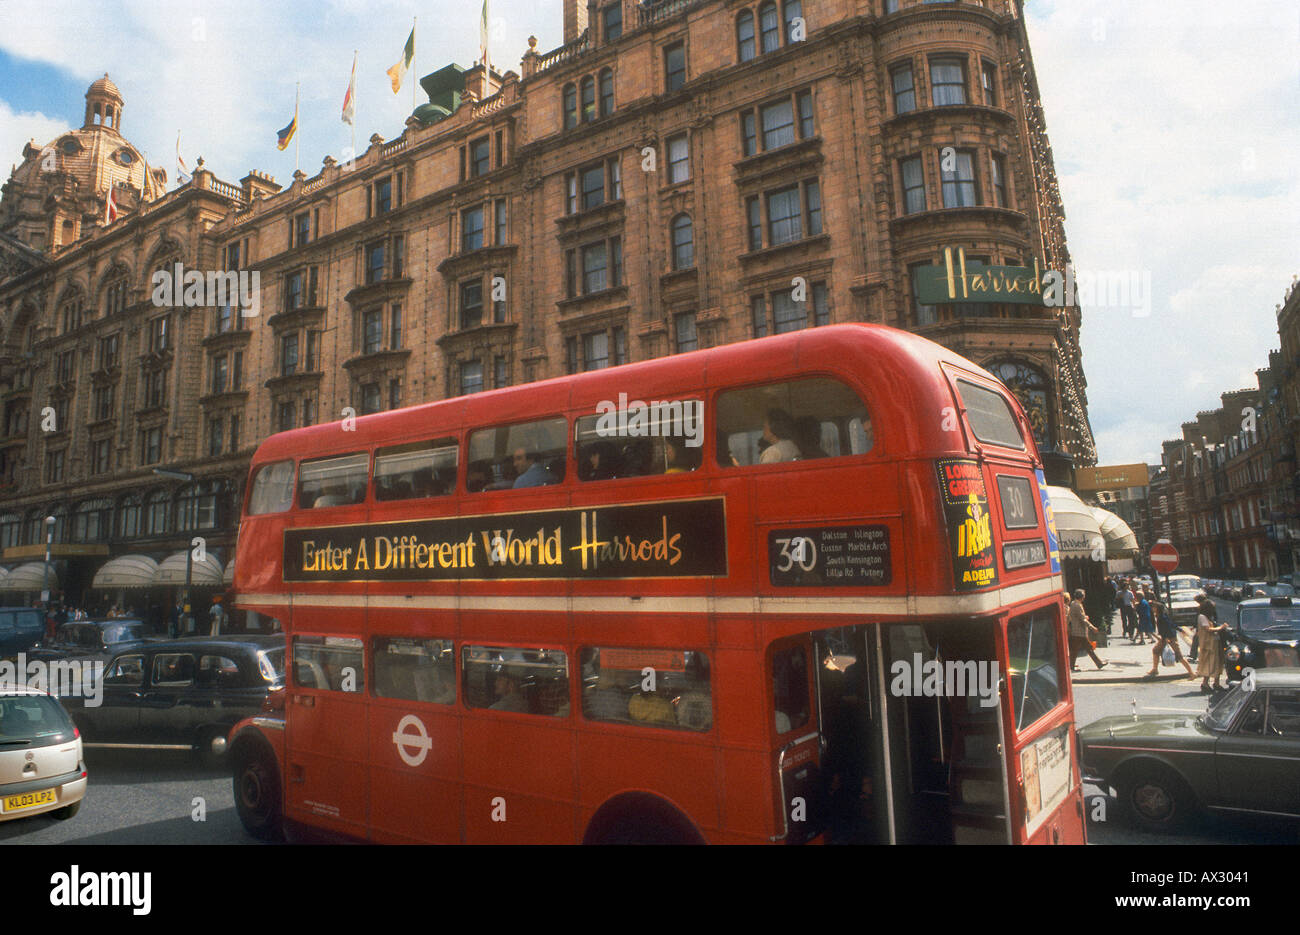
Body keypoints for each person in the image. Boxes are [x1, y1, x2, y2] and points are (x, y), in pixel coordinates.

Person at [1145, 599, 1195, 678]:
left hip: (1169, 638)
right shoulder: (1161, 616)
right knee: (1155, 651)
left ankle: (1192, 673)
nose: (1152, 609)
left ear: (1157, 608)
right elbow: (1171, 624)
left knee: (1179, 656)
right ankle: (1155, 669)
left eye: (1154, 607)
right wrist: (1180, 630)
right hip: (1166, 638)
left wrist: (1166, 638)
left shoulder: (1162, 617)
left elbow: (1168, 627)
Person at [1195, 597, 1229, 692]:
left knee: (1218, 663)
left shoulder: (1209, 618)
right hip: (1208, 645)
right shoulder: (1202, 617)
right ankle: (1205, 684)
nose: (1213, 610)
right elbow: (1208, 629)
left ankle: (1216, 683)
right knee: (1209, 664)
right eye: (1212, 608)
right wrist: (1221, 627)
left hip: (1215, 643)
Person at [1067, 589, 1105, 671]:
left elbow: (1079, 617)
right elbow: (1082, 619)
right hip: (1079, 631)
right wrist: (1092, 627)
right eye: (1084, 596)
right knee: (1083, 649)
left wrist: (1084, 617)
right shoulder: (1077, 605)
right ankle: (1099, 663)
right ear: (1082, 597)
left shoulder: (1074, 603)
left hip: (1077, 631)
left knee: (1080, 650)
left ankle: (1099, 663)